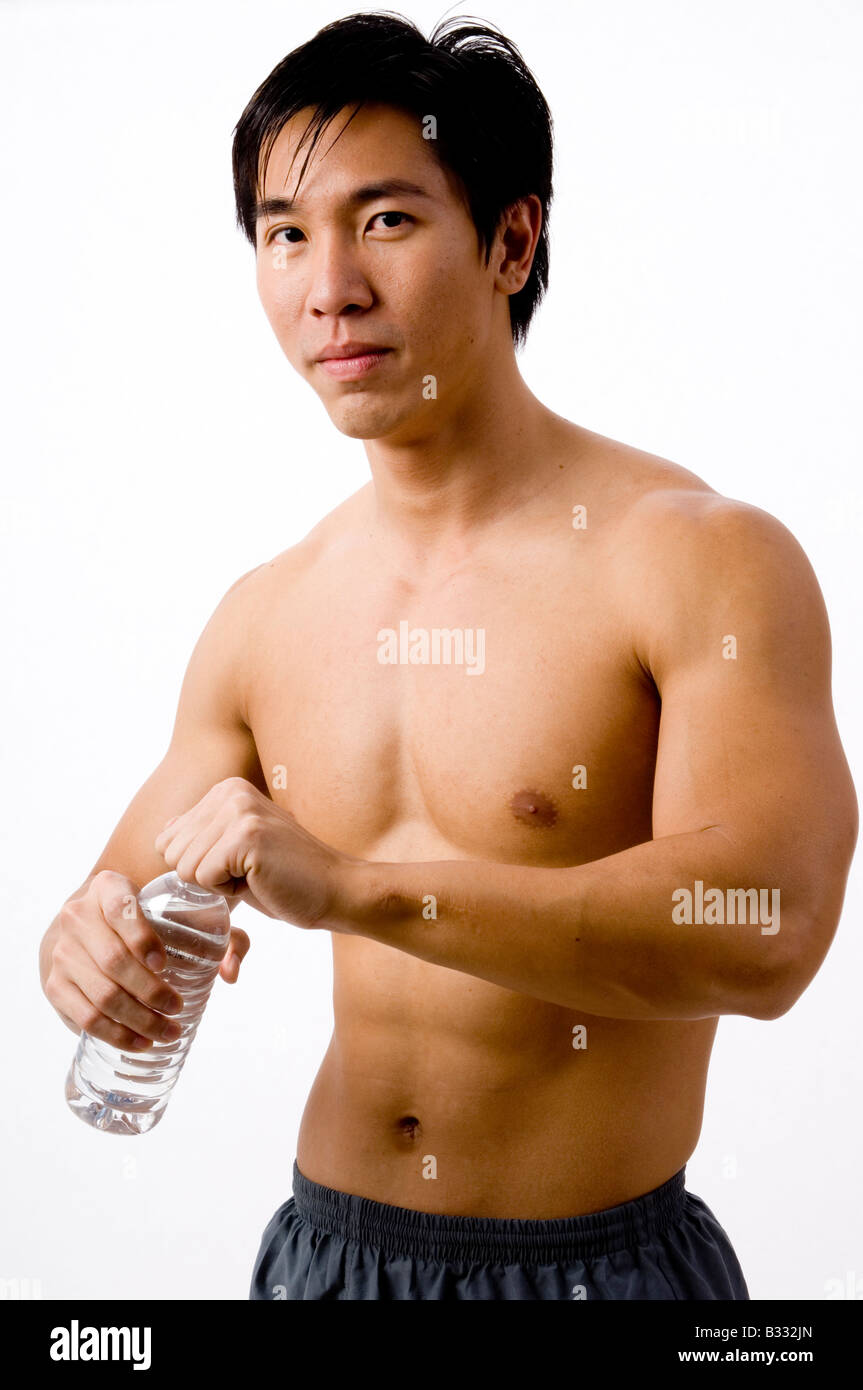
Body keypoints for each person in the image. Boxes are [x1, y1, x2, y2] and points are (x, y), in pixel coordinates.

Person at [39, 12, 857, 1301]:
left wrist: (360, 889)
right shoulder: (266, 614)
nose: (329, 288)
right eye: (284, 233)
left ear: (511, 240)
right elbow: (118, 906)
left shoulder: (695, 558)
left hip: (598, 1273)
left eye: (387, 220)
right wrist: (81, 949)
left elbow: (769, 928)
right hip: (325, 1262)